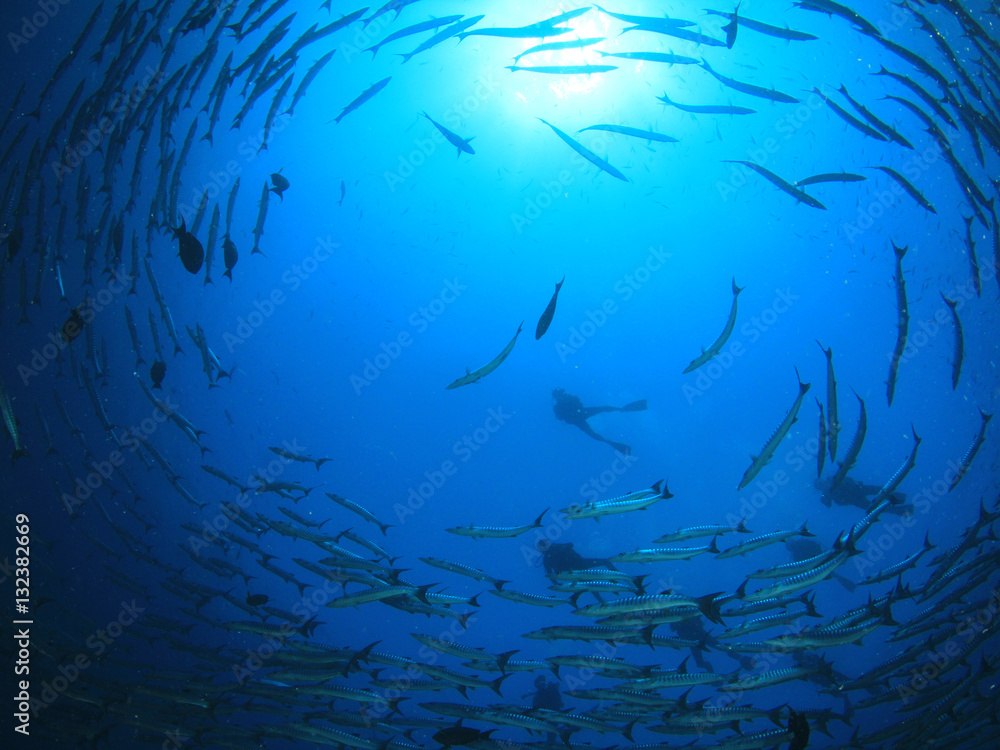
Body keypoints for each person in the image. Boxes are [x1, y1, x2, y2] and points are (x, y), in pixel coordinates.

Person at [552, 389, 647, 455]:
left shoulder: (568, 399)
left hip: (581, 414)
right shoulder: (558, 407)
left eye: (562, 393)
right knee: (594, 435)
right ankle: (617, 445)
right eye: (560, 394)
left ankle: (624, 409)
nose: (563, 395)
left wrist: (574, 411)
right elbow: (563, 419)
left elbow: (578, 404)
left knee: (605, 409)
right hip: (579, 418)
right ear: (557, 397)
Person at [537, 539, 614, 577]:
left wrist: (557, 585)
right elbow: (570, 544)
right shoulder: (548, 557)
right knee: (606, 561)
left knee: (589, 586)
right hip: (579, 565)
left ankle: (615, 579)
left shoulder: (546, 559)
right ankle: (616, 579)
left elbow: (550, 576)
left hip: (573, 572)